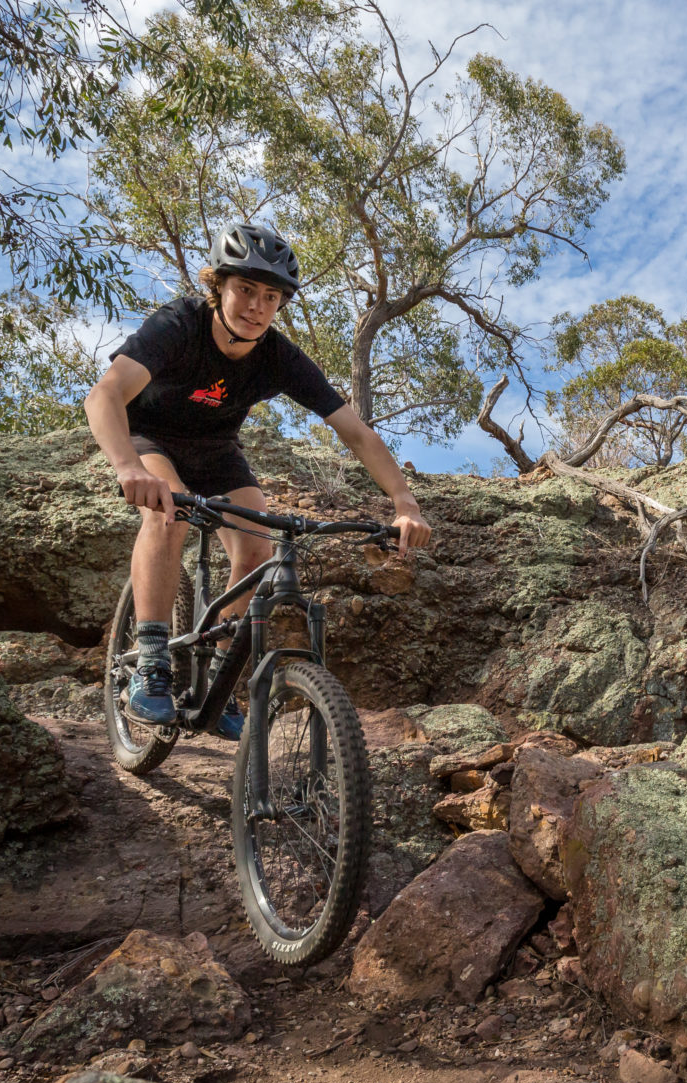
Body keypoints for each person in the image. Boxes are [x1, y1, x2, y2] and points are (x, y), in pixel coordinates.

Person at [84, 222, 431, 737]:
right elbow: (105, 395)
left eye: (271, 296)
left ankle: (221, 680)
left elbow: (355, 433)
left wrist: (404, 500)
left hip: (217, 451)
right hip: (150, 438)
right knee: (168, 515)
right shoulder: (179, 324)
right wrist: (128, 467)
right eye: (245, 289)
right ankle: (151, 664)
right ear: (218, 286)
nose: (256, 306)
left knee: (257, 552)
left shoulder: (278, 356)